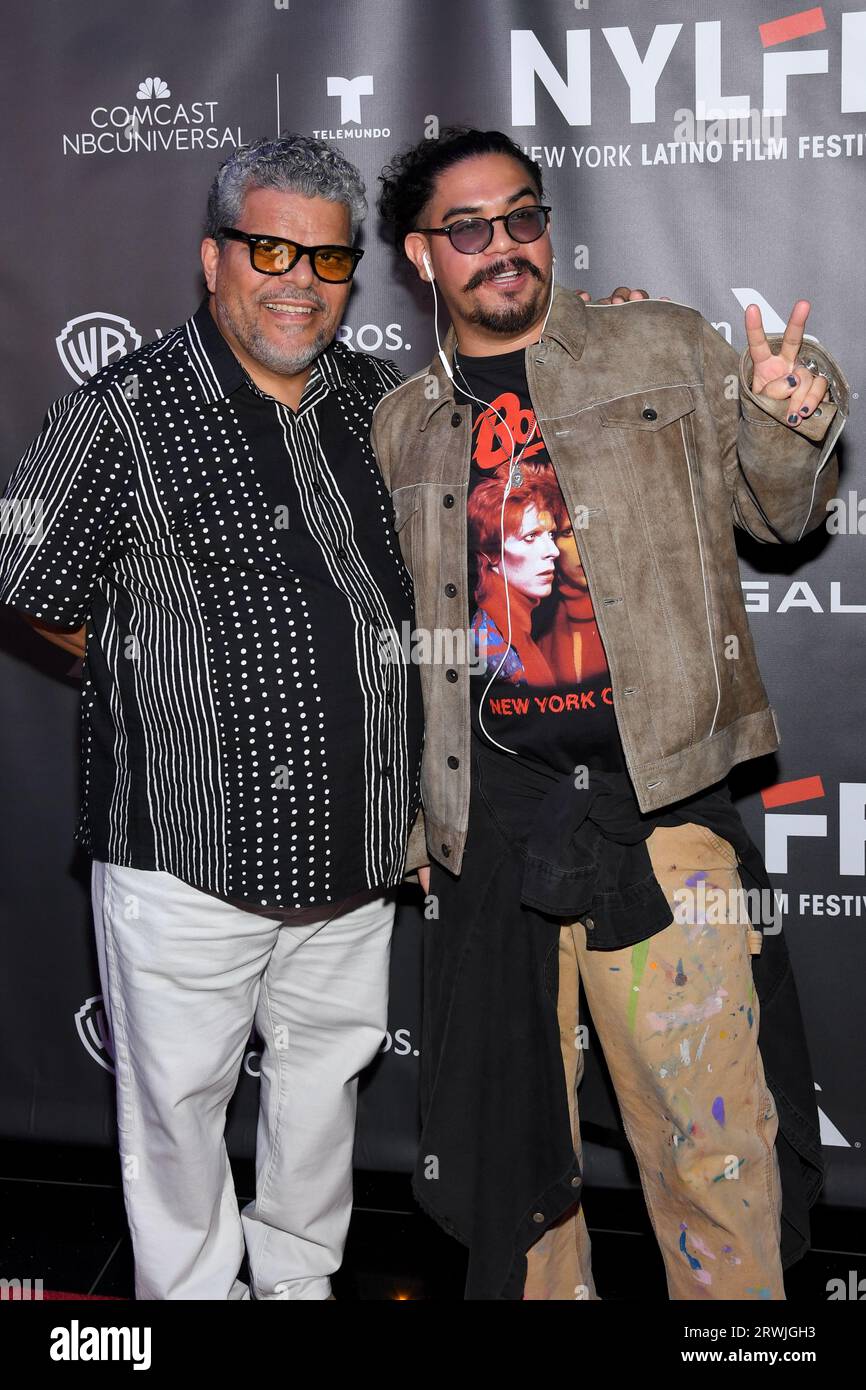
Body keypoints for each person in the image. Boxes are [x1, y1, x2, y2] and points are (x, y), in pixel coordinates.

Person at [372, 126, 849, 1300]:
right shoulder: (399, 426)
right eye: (467, 230)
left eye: (521, 217)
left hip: (663, 816)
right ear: (420, 258)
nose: (502, 246)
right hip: (490, 832)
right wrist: (416, 826)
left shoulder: (663, 344)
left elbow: (780, 515)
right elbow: (402, 654)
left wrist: (791, 414)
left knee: (716, 1151)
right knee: (522, 1173)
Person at [0, 132, 428, 1300]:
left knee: (321, 1093)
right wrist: (168, 676)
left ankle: (294, 1284)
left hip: (355, 848)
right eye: (270, 249)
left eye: (328, 260)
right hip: (185, 855)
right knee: (179, 1118)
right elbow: (34, 590)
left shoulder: (380, 399)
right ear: (213, 257)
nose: (298, 279)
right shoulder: (121, 410)